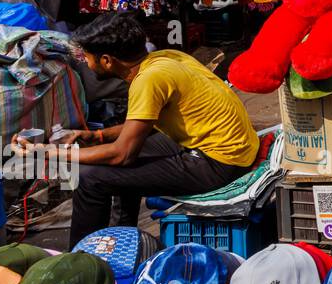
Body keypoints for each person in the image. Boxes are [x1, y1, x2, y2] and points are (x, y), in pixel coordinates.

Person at [22, 14, 260, 247]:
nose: (85, 62)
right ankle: (122, 238)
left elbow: (122, 154)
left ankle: (81, 258)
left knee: (90, 177)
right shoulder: (166, 57)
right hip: (223, 146)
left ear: (106, 60)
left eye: (86, 57)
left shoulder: (148, 79)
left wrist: (49, 152)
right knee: (115, 160)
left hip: (219, 163)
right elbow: (140, 128)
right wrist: (96, 136)